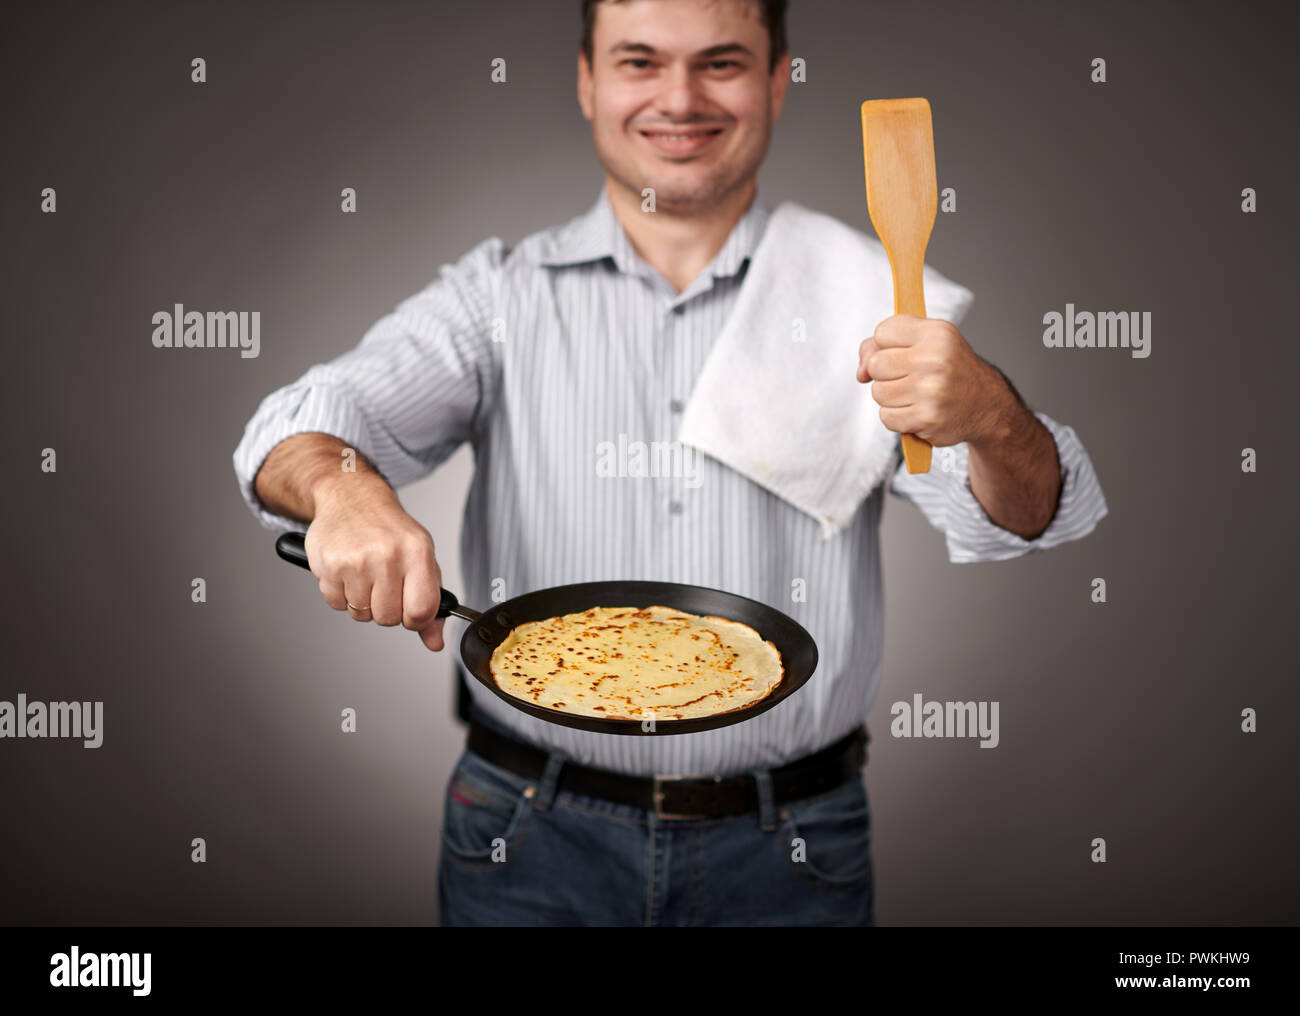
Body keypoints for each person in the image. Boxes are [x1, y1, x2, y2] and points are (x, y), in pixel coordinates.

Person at [232, 0, 1107, 926]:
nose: (679, 98)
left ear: (777, 79)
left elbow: (1023, 516)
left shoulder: (872, 301)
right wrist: (343, 484)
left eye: (721, 62)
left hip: (795, 845)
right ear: (588, 80)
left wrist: (990, 418)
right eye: (640, 61)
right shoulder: (499, 297)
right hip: (528, 836)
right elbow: (299, 424)